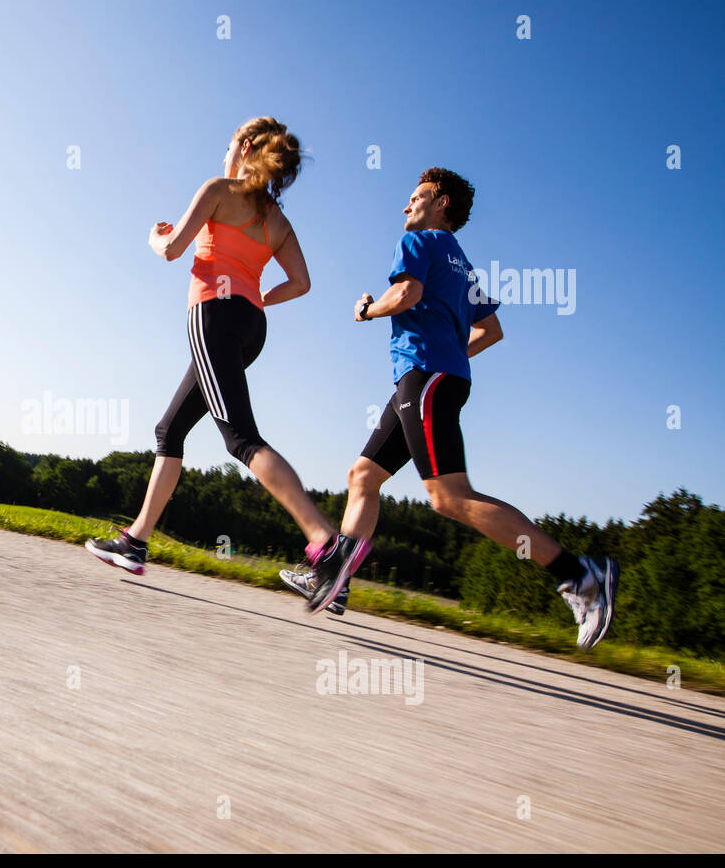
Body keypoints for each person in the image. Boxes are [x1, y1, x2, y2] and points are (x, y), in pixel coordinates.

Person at [281, 168, 618, 647]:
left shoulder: (420, 242)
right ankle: (334, 582)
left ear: (440, 204)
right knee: (364, 476)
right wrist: (451, 354)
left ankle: (581, 575)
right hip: (431, 379)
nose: (406, 207)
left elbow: (406, 294)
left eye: (415, 197)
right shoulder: (462, 264)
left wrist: (367, 309)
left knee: (449, 497)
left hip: (424, 379)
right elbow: (491, 330)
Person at [84, 117, 368, 613]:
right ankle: (136, 541)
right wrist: (253, 295)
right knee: (170, 428)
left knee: (240, 438)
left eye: (228, 145)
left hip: (213, 318)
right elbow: (301, 283)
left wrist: (155, 236)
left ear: (244, 148)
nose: (222, 155)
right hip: (251, 326)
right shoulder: (277, 219)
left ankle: (326, 543)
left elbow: (173, 250)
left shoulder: (218, 189)